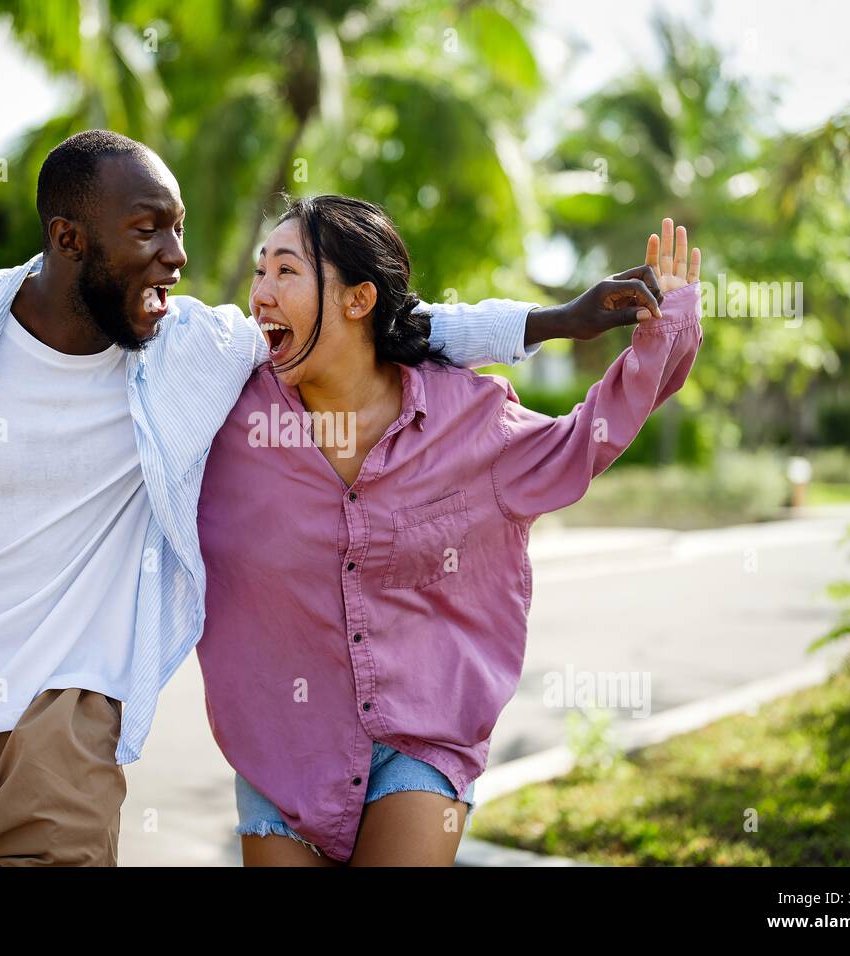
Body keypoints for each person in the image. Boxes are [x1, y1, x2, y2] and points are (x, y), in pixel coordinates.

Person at [0, 130, 665, 866]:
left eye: (180, 231)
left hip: (61, 725)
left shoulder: (194, 349)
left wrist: (552, 320)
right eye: (149, 232)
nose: (177, 259)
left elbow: (391, 325)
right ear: (69, 238)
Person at [195, 196, 702, 865]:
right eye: (260, 272)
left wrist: (663, 331)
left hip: (421, 739)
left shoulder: (467, 418)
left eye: (284, 272)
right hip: (282, 748)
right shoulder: (226, 420)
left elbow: (584, 442)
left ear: (357, 300)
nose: (259, 294)